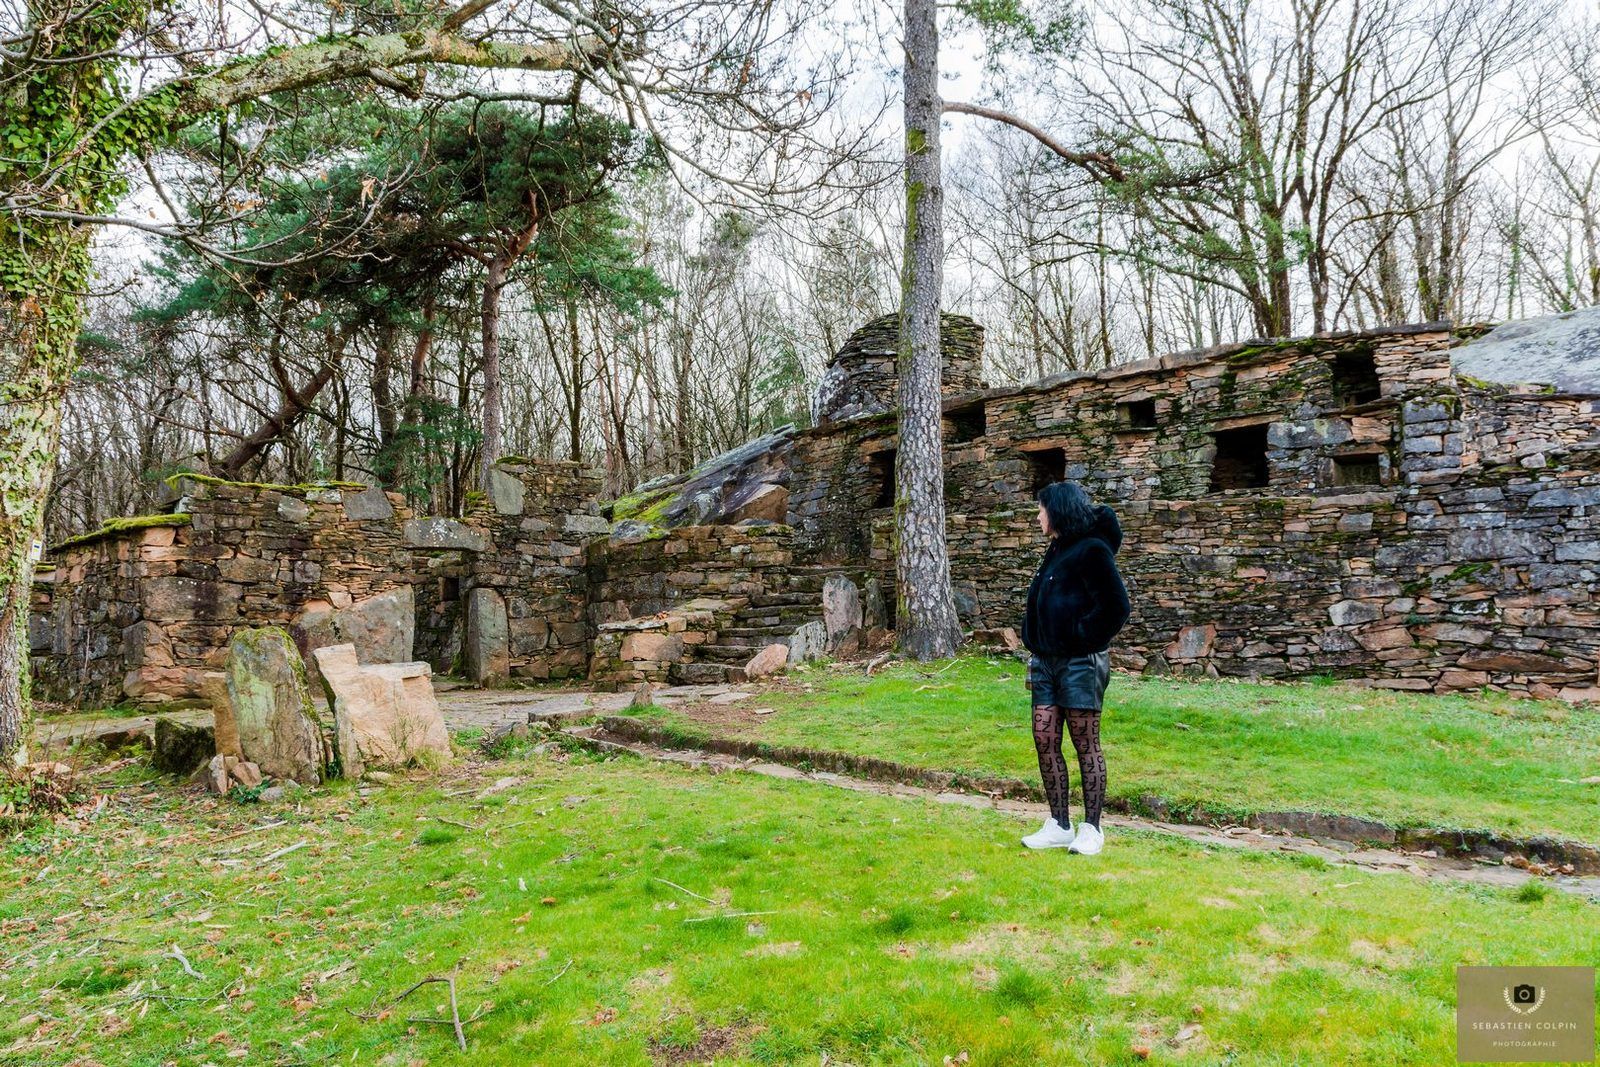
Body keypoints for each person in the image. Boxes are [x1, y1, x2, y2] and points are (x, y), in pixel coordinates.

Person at [1019, 481, 1130, 855]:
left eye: (1042, 509)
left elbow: (1116, 608)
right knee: (1044, 738)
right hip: (1045, 662)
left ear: (1058, 511)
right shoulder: (1057, 549)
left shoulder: (1092, 550)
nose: (1038, 516)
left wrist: (1080, 636)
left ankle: (1091, 828)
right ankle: (1059, 823)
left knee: (1086, 744)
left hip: (1081, 662)